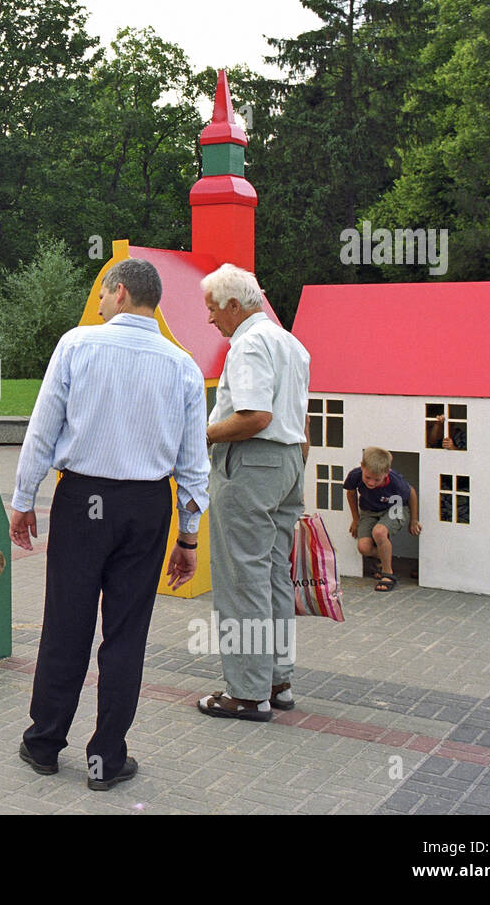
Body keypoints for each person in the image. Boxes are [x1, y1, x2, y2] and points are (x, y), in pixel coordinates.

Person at [10, 258, 209, 791]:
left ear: (119, 292)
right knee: (126, 634)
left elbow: (43, 427)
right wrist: (188, 536)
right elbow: (194, 464)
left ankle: (45, 744)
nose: (97, 304)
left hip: (82, 501)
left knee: (66, 625)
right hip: (148, 506)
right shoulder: (183, 365)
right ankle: (106, 759)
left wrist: (23, 498)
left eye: (101, 293)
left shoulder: (77, 345)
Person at [198, 263, 310, 721]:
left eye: (212, 309)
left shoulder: (248, 344)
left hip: (251, 463)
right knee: (273, 575)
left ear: (232, 305)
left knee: (241, 577)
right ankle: (277, 678)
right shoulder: (292, 343)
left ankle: (247, 692)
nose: (209, 319)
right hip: (288, 462)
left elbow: (253, 416)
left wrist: (203, 433)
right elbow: (294, 421)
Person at [345, 446, 421, 592]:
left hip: (395, 507)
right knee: (364, 547)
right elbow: (351, 493)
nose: (371, 483)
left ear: (387, 472)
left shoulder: (395, 481)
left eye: (377, 479)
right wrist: (356, 519)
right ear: (362, 467)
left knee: (379, 532)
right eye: (367, 477)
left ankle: (388, 573)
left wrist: (414, 520)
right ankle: (382, 558)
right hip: (369, 511)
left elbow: (411, 492)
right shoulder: (355, 475)